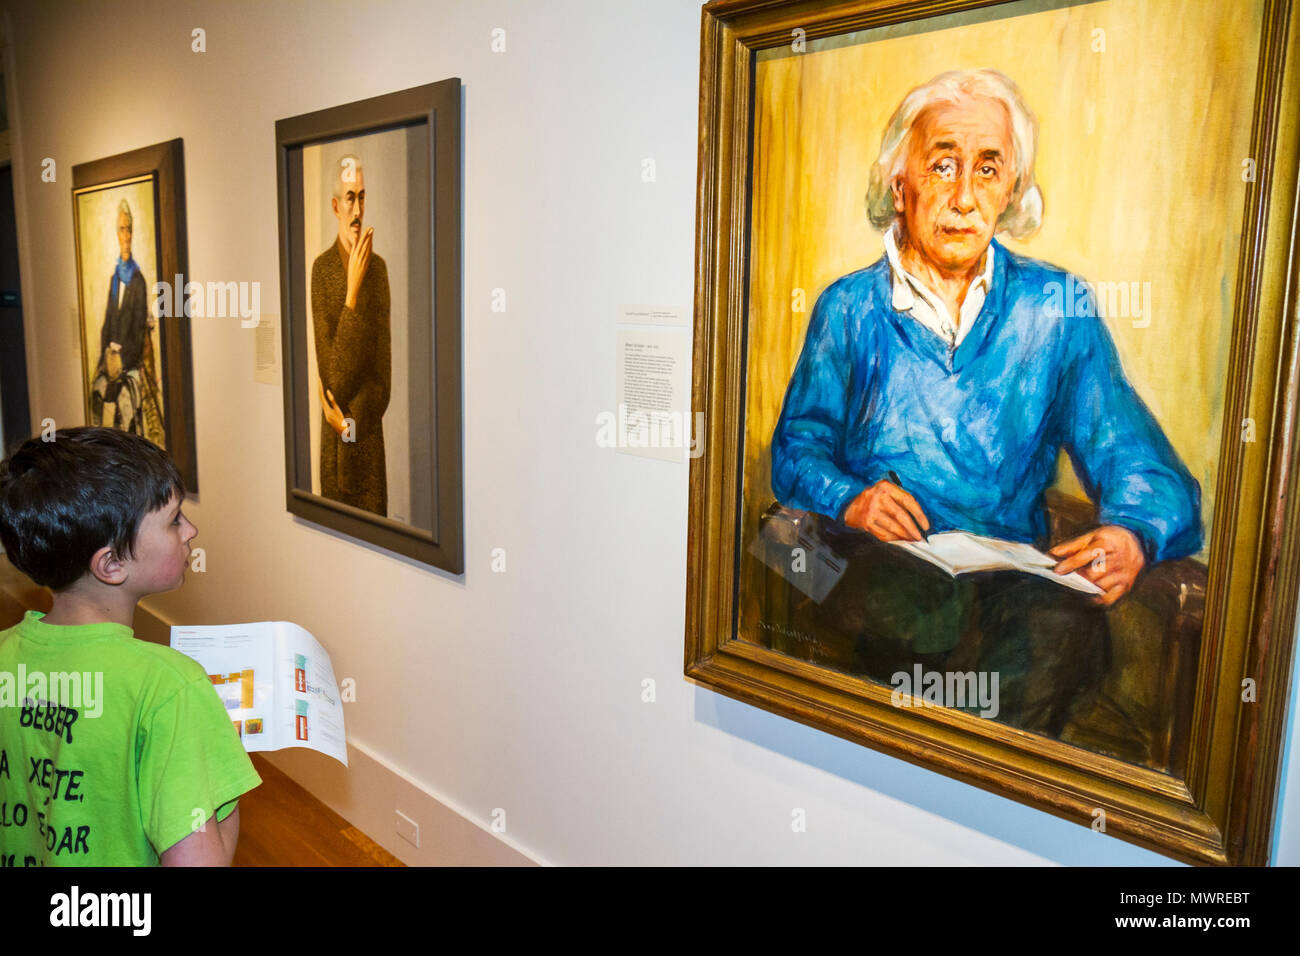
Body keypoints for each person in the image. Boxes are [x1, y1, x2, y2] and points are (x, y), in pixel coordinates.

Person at [769, 69, 1202, 734]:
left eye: (989, 170)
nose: (965, 197)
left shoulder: (1057, 309)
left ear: (1011, 191)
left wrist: (1134, 532)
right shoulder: (849, 309)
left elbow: (1140, 462)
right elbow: (796, 452)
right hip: (876, 571)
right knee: (903, 617)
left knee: (1064, 635)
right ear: (900, 181)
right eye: (943, 165)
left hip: (1013, 591)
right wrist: (853, 499)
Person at [0, 427, 261, 865]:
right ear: (112, 563)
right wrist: (216, 766)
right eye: (174, 519)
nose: (191, 530)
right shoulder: (169, 687)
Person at [311, 154, 391, 517]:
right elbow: (335, 380)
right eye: (349, 198)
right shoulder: (321, 270)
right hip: (335, 459)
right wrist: (351, 295)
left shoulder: (379, 271)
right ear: (335, 206)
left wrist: (347, 426)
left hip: (367, 451)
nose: (357, 208)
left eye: (362, 196)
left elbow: (381, 381)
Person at [90, 199, 164, 444]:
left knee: (129, 416)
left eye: (128, 229)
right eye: (121, 229)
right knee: (99, 403)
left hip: (128, 363)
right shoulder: (114, 279)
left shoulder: (138, 280)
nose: (126, 235)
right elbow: (107, 323)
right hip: (110, 360)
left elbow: (138, 327)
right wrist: (105, 357)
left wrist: (122, 361)